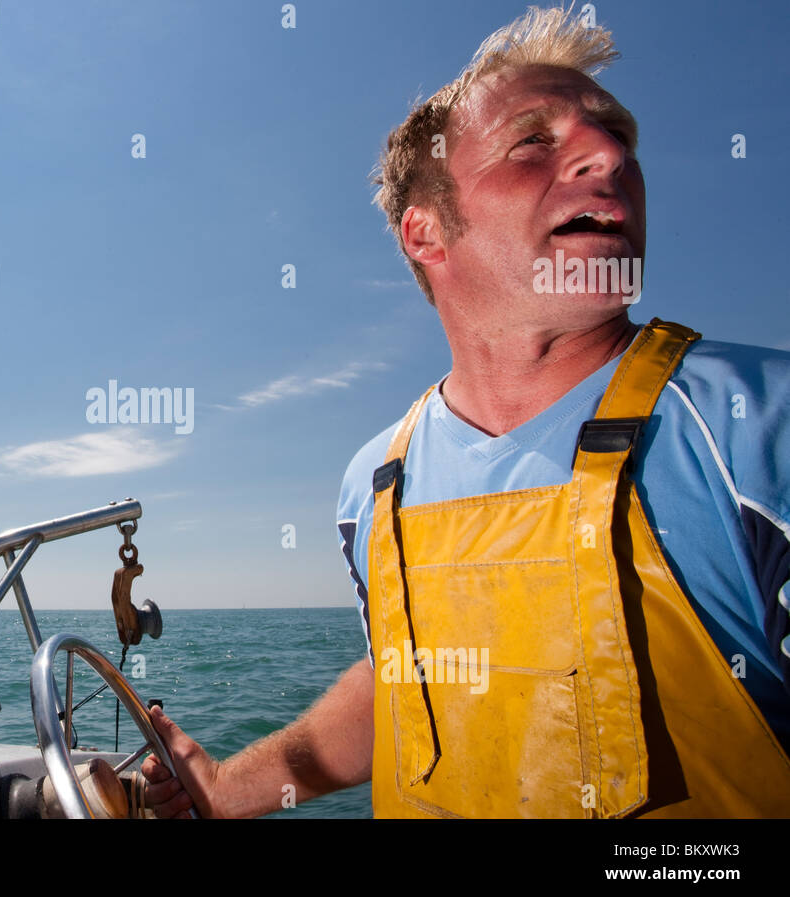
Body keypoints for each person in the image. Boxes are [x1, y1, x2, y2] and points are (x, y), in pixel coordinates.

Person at [141, 4, 790, 819]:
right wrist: (225, 790)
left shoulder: (757, 427)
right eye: (533, 143)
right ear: (427, 233)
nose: (611, 154)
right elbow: (407, 687)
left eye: (615, 134)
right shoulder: (375, 482)